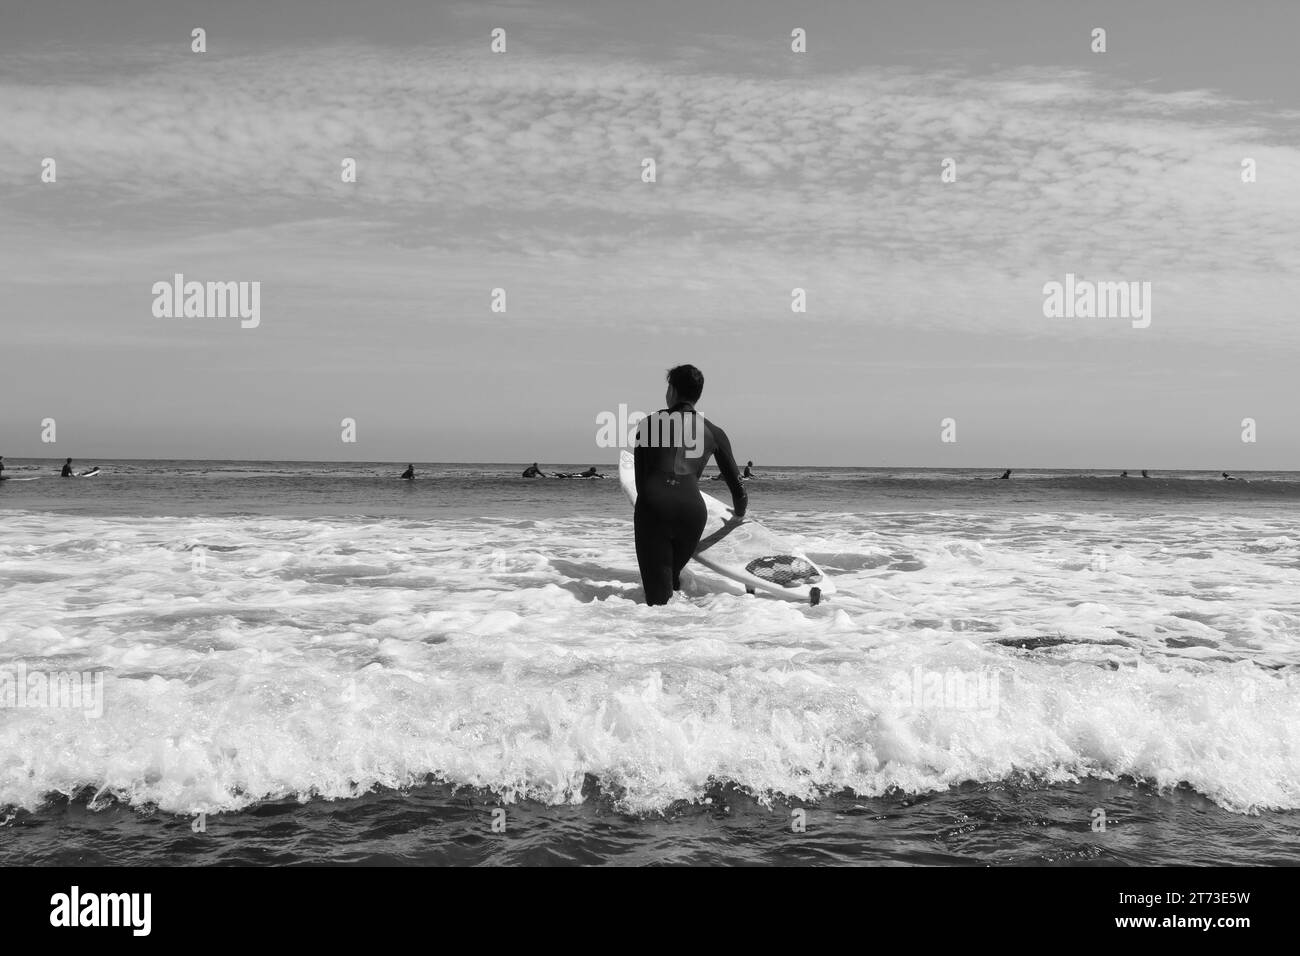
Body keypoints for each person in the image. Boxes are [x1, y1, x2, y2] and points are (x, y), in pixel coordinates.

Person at [634, 365, 746, 606]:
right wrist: (738, 516)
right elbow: (739, 489)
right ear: (698, 394)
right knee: (671, 580)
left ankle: (660, 638)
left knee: (657, 600)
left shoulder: (648, 425)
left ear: (672, 391)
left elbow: (640, 481)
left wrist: (650, 514)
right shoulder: (715, 432)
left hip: (654, 506)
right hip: (693, 513)